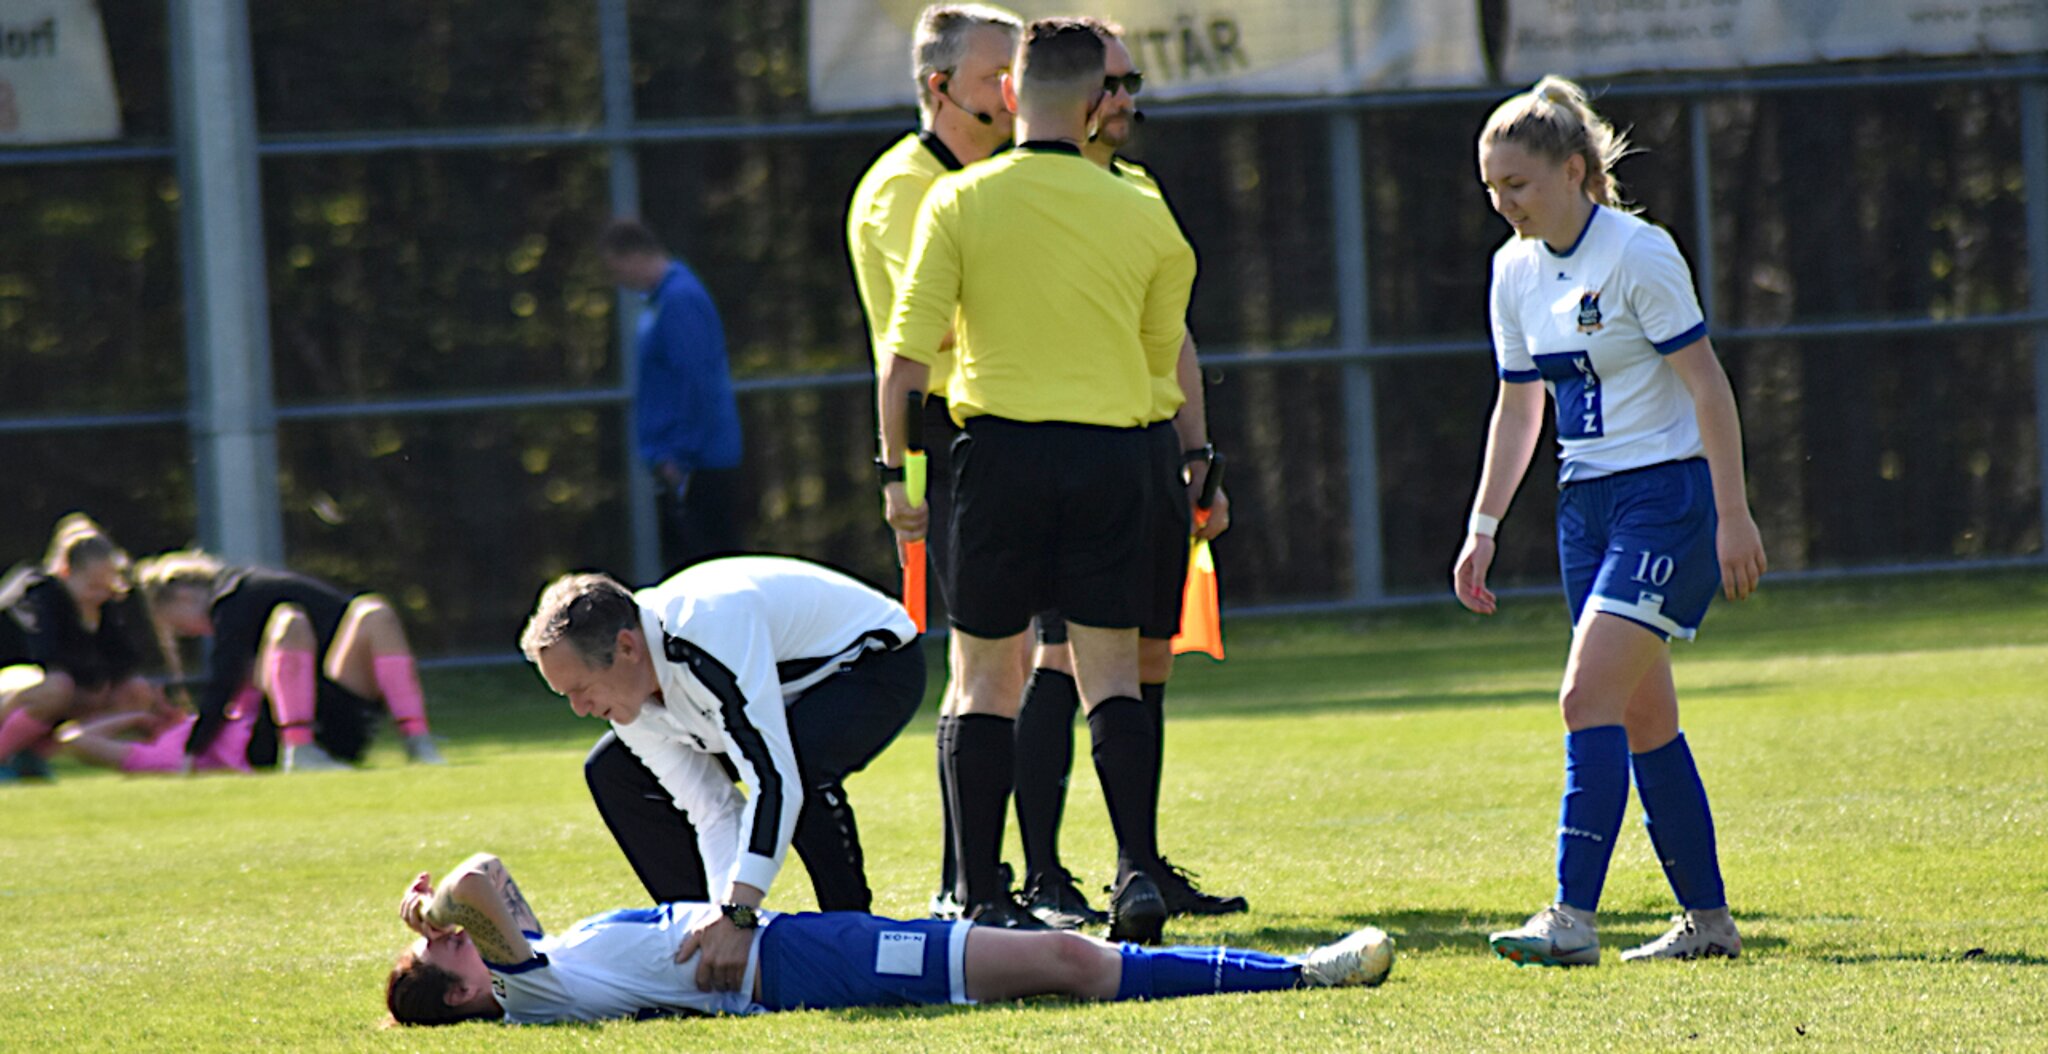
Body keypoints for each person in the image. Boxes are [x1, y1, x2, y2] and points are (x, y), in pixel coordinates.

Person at [877, 20, 1195, 939]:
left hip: (997, 460)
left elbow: (904, 362)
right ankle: (1134, 872)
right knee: (1112, 679)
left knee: (985, 679)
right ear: (1098, 103)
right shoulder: (1143, 211)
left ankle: (983, 897)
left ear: (1013, 97)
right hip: (1109, 456)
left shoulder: (958, 202)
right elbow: (1159, 364)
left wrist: (896, 473)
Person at [1453, 76, 1767, 966]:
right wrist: (1484, 526)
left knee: (1584, 697)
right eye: (1490, 187)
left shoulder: (1638, 252)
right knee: (1642, 722)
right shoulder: (1512, 270)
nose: (1502, 202)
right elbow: (1520, 409)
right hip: (1582, 508)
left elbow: (1707, 382)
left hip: (1664, 499)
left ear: (1576, 171)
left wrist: (1733, 514)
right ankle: (1709, 926)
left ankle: (1571, 919)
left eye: (1517, 183)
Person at [1007, 17, 1244, 932]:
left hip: (1144, 452)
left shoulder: (1137, 192)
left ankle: (1136, 868)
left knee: (1147, 660)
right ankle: (1037, 873)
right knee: (1057, 657)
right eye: (1114, 81)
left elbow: (1175, 339)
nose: (1127, 98)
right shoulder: (1021, 193)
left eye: (1131, 81)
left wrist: (1198, 454)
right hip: (1064, 453)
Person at [384, 850, 1393, 1026]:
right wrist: (430, 912)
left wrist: (432, 925)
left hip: (803, 943)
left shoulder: (537, 957)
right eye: (446, 953)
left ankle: (1293, 972)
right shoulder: (530, 991)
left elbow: (493, 891)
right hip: (801, 966)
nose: (456, 936)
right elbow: (475, 877)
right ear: (470, 995)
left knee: (1063, 958)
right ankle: (1302, 974)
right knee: (1068, 961)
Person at [519, 556, 924, 987]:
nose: (580, 710)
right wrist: (721, 914)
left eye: (580, 689)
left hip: (874, 664)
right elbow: (711, 808)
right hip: (765, 697)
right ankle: (696, 947)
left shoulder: (708, 631)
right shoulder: (628, 695)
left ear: (626, 647)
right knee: (613, 771)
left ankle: (854, 940)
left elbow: (774, 782)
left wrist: (740, 911)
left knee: (797, 771)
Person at [846, 1, 1023, 925]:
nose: (1013, 88)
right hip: (951, 439)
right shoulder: (905, 188)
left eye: (1019, 69)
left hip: (1013, 432)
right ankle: (966, 883)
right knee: (983, 665)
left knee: (1025, 662)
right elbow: (945, 323)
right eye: (998, 72)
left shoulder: (996, 174)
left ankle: (1017, 877)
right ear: (938, 86)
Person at [133, 551, 443, 772]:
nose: (190, 633)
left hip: (341, 709)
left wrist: (193, 748)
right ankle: (300, 749)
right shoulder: (243, 598)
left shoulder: (231, 600)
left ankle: (418, 740)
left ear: (184, 596)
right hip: (282, 733)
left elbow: (222, 682)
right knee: (289, 620)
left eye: (179, 625)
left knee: (373, 612)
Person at [599, 218, 745, 572]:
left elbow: (696, 383)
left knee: (710, 571)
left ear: (634, 255)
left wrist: (680, 454)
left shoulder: (680, 300)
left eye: (618, 271)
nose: (620, 282)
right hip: (685, 460)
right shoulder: (661, 301)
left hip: (698, 463)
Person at [0, 514, 162, 779]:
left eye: (105, 588)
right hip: (12, 683)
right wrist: (94, 681)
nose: (100, 595)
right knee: (59, 686)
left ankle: (37, 755)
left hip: (59, 684)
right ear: (65, 572)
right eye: (92, 587)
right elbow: (48, 653)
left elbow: (124, 659)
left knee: (135, 691)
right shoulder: (37, 594)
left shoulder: (104, 604)